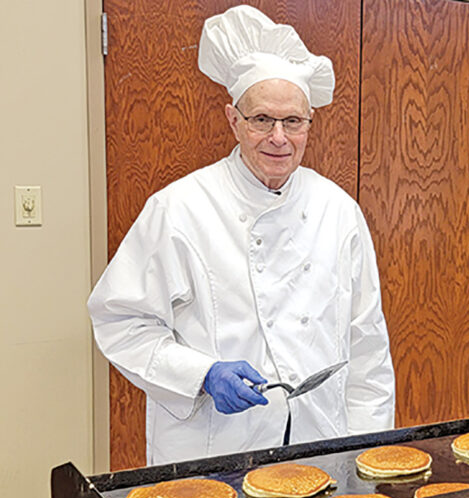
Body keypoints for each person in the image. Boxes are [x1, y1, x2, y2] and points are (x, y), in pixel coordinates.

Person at [88, 5, 395, 465]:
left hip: (320, 437)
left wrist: (369, 451)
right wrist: (203, 374)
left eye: (293, 122)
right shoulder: (180, 208)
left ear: (309, 124)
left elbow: (367, 343)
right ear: (234, 120)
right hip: (217, 441)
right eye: (261, 120)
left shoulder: (338, 211)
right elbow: (119, 321)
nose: (279, 138)